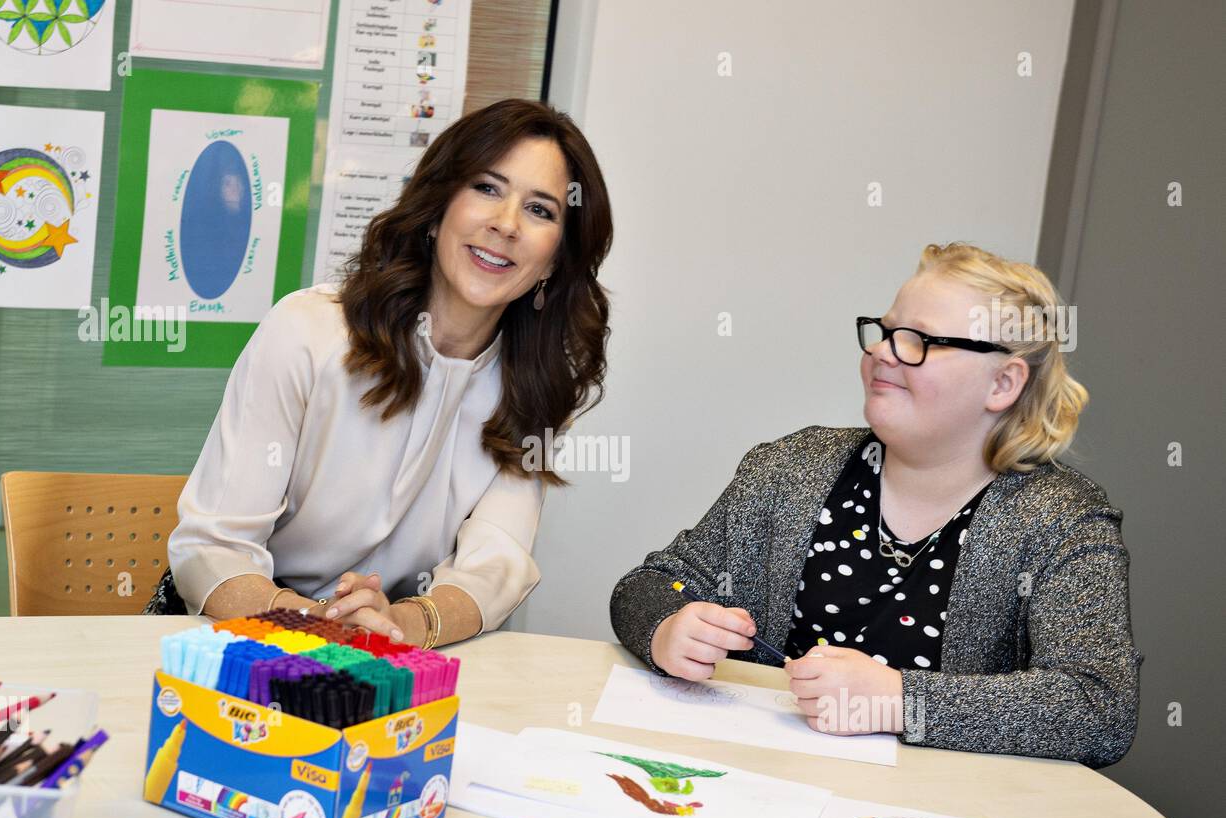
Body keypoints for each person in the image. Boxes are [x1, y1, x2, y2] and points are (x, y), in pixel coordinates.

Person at [610, 242, 1139, 768]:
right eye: (885, 332)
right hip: (765, 785)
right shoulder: (788, 469)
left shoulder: (1060, 520)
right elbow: (650, 584)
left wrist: (897, 699)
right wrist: (666, 628)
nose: (883, 351)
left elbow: (1099, 709)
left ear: (1002, 383)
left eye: (918, 340)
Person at [146, 99, 613, 652]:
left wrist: (401, 625)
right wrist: (314, 622)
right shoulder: (309, 331)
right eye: (486, 188)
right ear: (438, 207)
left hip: (389, 644)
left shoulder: (534, 388)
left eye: (541, 210)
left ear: (557, 257)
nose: (505, 224)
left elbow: (495, 565)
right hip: (238, 626)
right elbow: (213, 546)